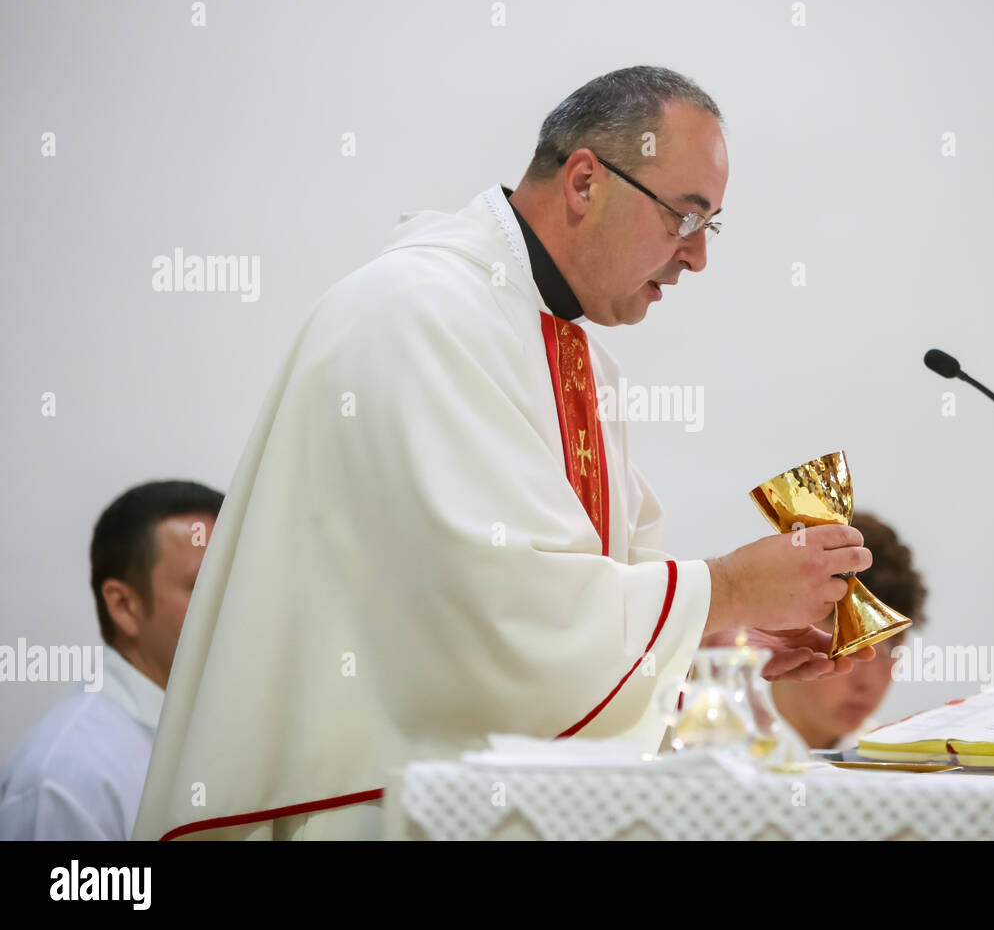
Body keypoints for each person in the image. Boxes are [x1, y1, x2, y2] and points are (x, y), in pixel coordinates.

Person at [133, 65, 874, 842]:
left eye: (709, 227)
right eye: (684, 219)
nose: (696, 259)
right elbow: (489, 615)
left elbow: (586, 596)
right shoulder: (418, 315)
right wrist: (722, 590)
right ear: (585, 181)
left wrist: (709, 639)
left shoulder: (565, 348)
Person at [0, 481, 222, 839]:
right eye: (206, 584)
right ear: (123, 606)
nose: (234, 602)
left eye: (238, 580)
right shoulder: (66, 779)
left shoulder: (229, 727)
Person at [771, 513, 928, 751]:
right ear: (789, 625)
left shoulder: (888, 765)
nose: (868, 683)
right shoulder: (711, 753)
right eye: (852, 644)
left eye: (892, 648)